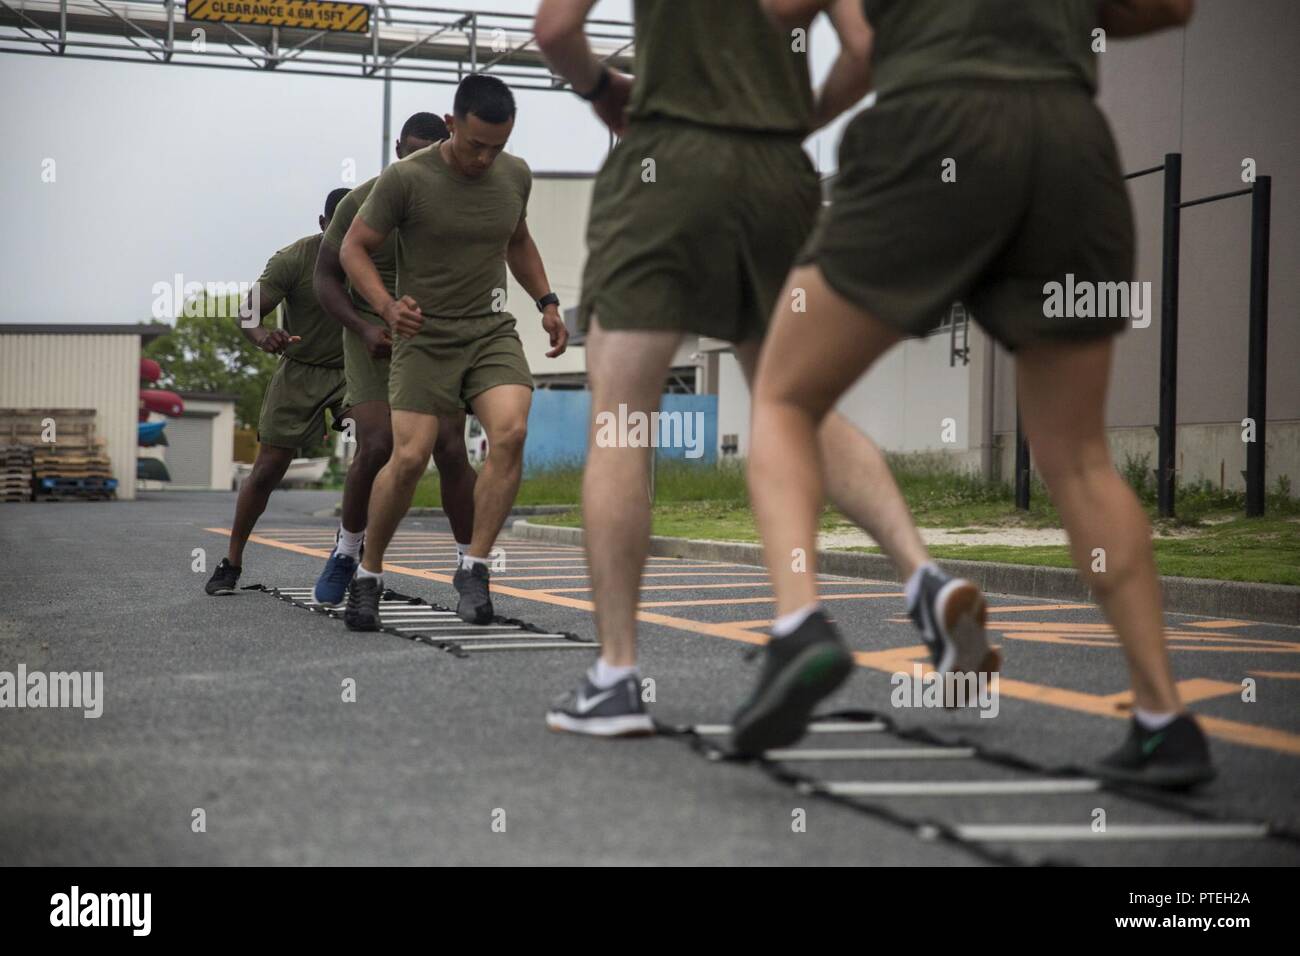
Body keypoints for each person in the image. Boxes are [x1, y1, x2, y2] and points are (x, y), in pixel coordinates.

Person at [746, 0, 1210, 787]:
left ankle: (798, 624)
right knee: (1082, 458)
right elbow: (1168, 7)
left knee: (785, 396)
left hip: (936, 119)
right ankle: (1165, 720)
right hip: (1071, 139)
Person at [535, 0, 995, 742]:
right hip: (780, 178)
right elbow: (863, 50)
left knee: (621, 421)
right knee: (797, 402)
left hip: (668, 160)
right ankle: (923, 580)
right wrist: (790, 123)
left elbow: (556, 30)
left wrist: (599, 88)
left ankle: (616, 676)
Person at [338, 74, 568, 630]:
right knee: (411, 456)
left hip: (489, 330)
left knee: (510, 433)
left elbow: (517, 239)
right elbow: (353, 249)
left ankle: (474, 566)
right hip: (425, 336)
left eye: (497, 147)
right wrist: (388, 308)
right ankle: (367, 574)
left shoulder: (515, 175)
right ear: (450, 125)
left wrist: (548, 300)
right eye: (475, 145)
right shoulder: (405, 179)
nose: (485, 158)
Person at [311, 112, 480, 604]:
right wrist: (363, 326)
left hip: (434, 340)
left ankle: (470, 564)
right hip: (372, 335)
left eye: (433, 151)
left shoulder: (462, 199)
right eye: (413, 152)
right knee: (379, 443)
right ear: (399, 153)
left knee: (450, 446)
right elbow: (326, 276)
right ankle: (348, 550)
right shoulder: (365, 200)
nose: (422, 161)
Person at [206, 188, 352, 596]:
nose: (347, 235)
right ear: (323, 225)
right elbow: (249, 311)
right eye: (338, 227)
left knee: (377, 445)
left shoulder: (376, 254)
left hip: (355, 370)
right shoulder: (295, 258)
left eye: (356, 225)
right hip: (301, 369)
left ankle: (351, 553)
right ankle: (231, 560)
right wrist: (263, 336)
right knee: (268, 468)